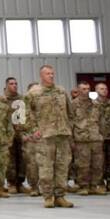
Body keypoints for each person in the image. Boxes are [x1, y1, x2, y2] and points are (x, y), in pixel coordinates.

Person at [26, 65, 74, 209]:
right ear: (41, 75)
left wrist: (69, 127)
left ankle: (60, 196)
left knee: (62, 167)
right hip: (45, 137)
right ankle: (48, 197)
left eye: (52, 73)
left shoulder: (61, 91)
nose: (51, 76)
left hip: (62, 135)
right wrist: (33, 130)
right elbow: (24, 114)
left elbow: (70, 112)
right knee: (46, 168)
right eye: (48, 74)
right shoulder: (33, 93)